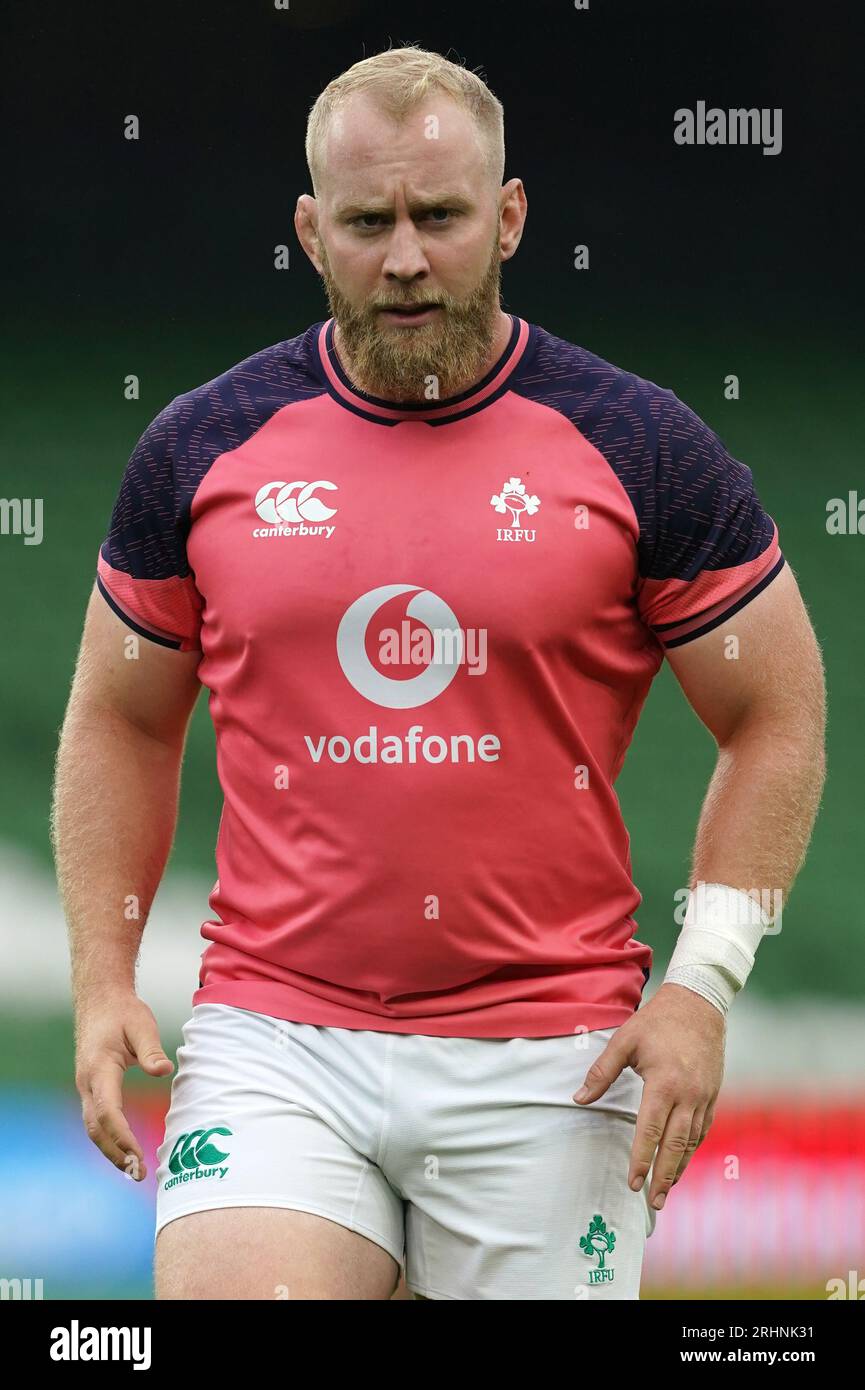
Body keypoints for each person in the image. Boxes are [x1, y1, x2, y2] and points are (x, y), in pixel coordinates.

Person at [52, 44, 826, 1301]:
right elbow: (121, 721)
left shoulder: (639, 445)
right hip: (278, 1036)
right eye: (367, 221)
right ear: (309, 232)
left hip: (552, 1053)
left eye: (441, 216)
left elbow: (775, 712)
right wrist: (101, 983)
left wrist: (702, 985)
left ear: (509, 217)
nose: (405, 257)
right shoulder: (200, 444)